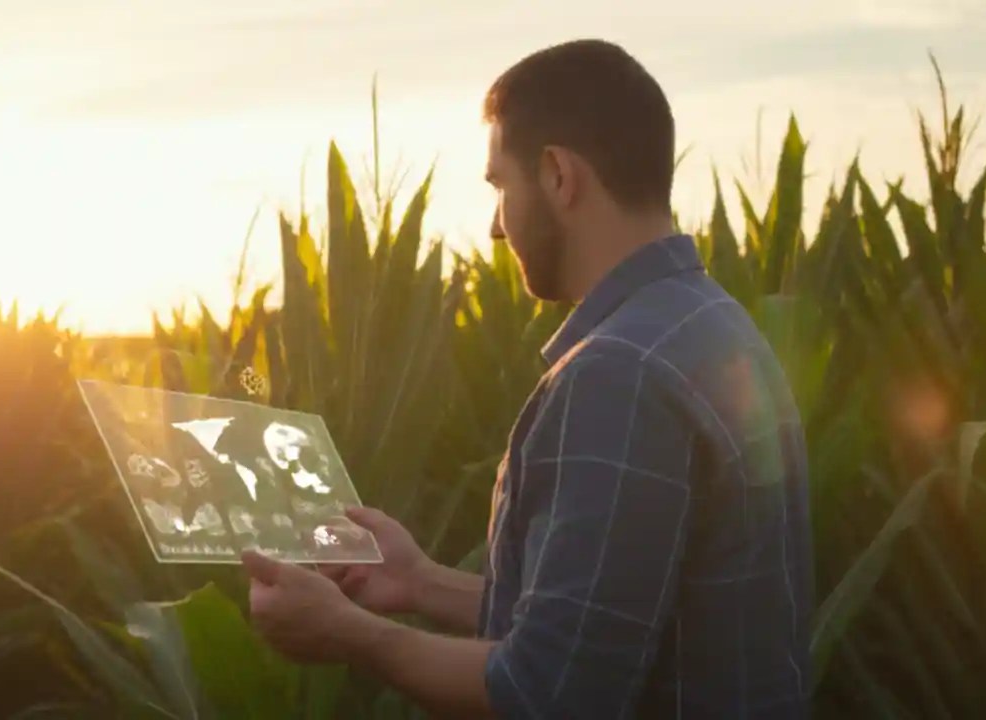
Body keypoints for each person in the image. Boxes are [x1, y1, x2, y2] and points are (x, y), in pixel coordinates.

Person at [240, 38, 813, 718]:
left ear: (558, 176)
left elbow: (546, 694)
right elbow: (609, 622)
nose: (495, 227)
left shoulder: (617, 374)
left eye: (500, 187)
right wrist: (418, 581)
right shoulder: (710, 324)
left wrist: (348, 633)